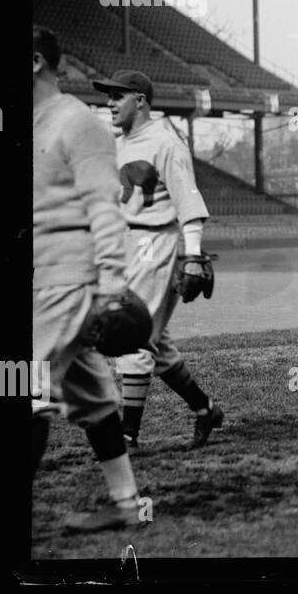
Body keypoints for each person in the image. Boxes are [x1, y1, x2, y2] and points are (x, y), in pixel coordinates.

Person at [32, 26, 149, 532]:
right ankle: (126, 504)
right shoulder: (29, 123)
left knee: (18, 384)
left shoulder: (76, 123)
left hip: (70, 280)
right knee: (95, 398)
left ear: (36, 61)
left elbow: (105, 211)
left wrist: (109, 287)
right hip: (44, 278)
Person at [91, 69, 224, 450]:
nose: (110, 103)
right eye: (108, 96)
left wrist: (195, 255)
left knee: (128, 333)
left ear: (141, 100)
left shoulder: (166, 142)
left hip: (156, 244)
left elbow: (189, 203)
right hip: (125, 243)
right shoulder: (120, 144)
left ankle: (127, 436)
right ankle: (205, 410)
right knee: (154, 340)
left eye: (118, 96)